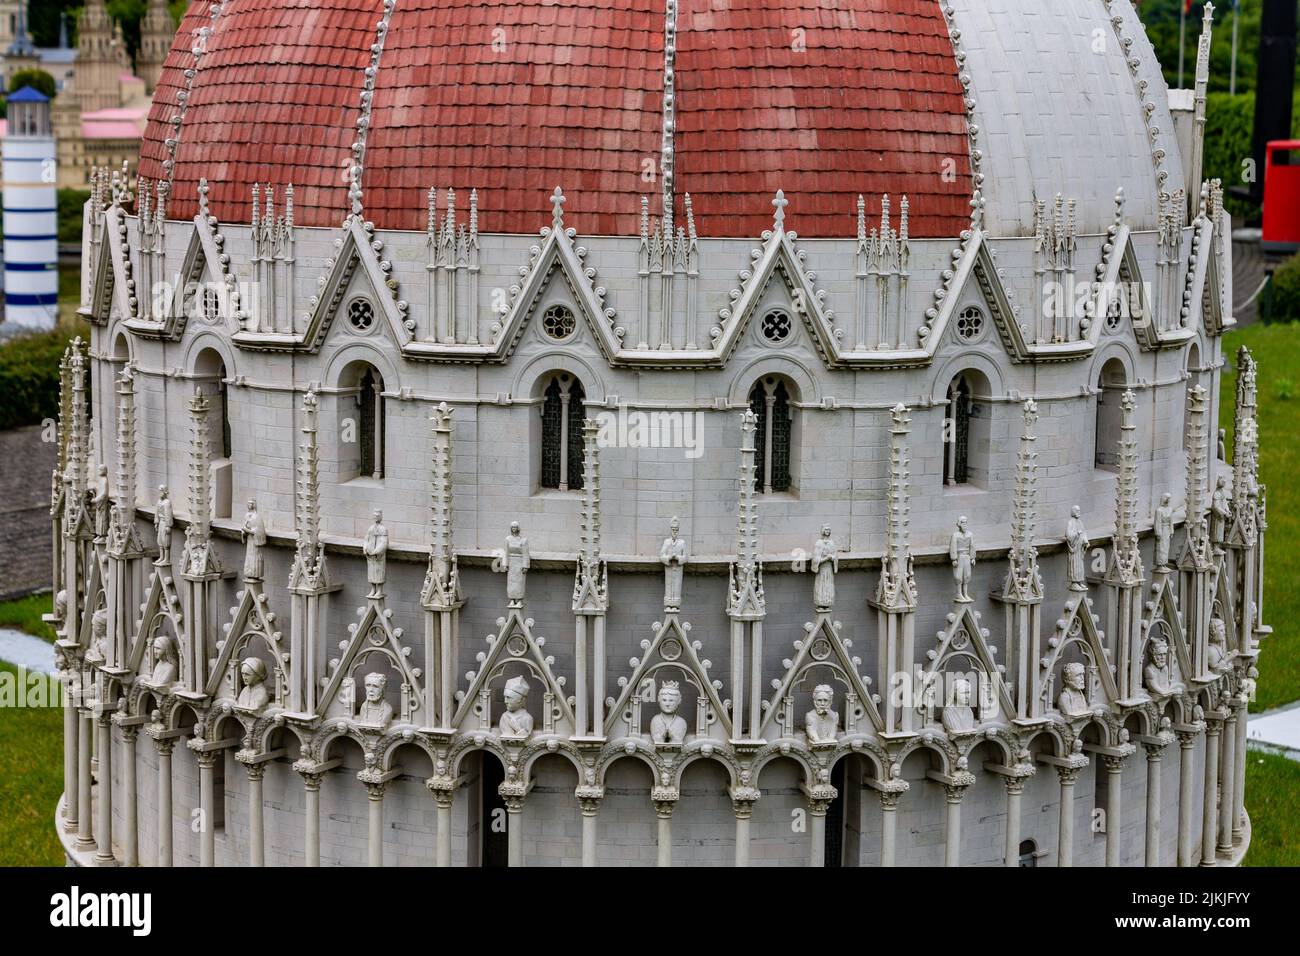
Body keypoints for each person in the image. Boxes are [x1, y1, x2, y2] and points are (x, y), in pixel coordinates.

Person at [660, 517, 687, 610]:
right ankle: (668, 604)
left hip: (678, 569)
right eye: (673, 530)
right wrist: (669, 558)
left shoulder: (682, 542)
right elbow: (661, 555)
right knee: (669, 586)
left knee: (677, 587)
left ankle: (675, 605)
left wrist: (678, 558)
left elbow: (686, 557)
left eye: (676, 530)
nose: (674, 531)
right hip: (669, 568)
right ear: (670, 530)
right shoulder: (666, 542)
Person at [650, 680, 688, 745]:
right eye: (664, 700)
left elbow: (678, 740)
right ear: (659, 700)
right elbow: (656, 739)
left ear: (678, 701)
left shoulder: (681, 722)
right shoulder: (655, 720)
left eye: (671, 700)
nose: (667, 704)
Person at [811, 525, 838, 610]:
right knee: (821, 585)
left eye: (829, 529)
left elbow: (835, 556)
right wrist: (826, 558)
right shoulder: (819, 543)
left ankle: (827, 603)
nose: (827, 531)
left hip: (829, 568)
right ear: (823, 530)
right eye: (826, 529)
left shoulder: (832, 543)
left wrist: (832, 558)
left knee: (828, 585)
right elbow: (815, 559)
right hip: (822, 569)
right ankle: (820, 603)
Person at [949, 517, 975, 602]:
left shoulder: (970, 534)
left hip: (967, 556)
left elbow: (972, 546)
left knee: (967, 576)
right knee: (958, 576)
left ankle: (965, 593)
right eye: (963, 523)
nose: (965, 525)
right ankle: (959, 593)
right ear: (959, 524)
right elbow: (953, 547)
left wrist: (972, 557)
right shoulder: (955, 535)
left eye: (966, 522)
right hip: (959, 557)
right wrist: (954, 559)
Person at [241, 500, 267, 581]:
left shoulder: (257, 517)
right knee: (249, 556)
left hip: (255, 542)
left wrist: (247, 530)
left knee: (255, 556)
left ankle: (254, 573)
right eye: (248, 503)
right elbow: (244, 526)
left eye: (251, 503)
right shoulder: (247, 515)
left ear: (254, 505)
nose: (249, 505)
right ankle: (249, 573)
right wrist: (243, 532)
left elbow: (259, 531)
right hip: (249, 540)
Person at [364, 511, 388, 598]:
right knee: (371, 572)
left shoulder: (383, 529)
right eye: (374, 516)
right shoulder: (370, 528)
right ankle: (373, 589)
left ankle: (379, 590)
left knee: (379, 572)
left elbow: (384, 543)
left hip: (378, 555)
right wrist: (365, 548)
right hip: (370, 555)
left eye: (377, 516)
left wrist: (376, 551)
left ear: (381, 517)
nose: (376, 518)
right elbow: (366, 539)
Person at [1066, 506, 1089, 591]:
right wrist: (1076, 534)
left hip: (1079, 549)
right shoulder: (1070, 523)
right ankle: (1074, 583)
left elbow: (1084, 533)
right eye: (1077, 511)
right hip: (1074, 549)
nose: (1079, 512)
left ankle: (1079, 582)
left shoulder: (1080, 522)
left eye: (1079, 510)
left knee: (1080, 566)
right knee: (1074, 565)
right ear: (1073, 512)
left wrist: (1085, 541)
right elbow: (1068, 536)